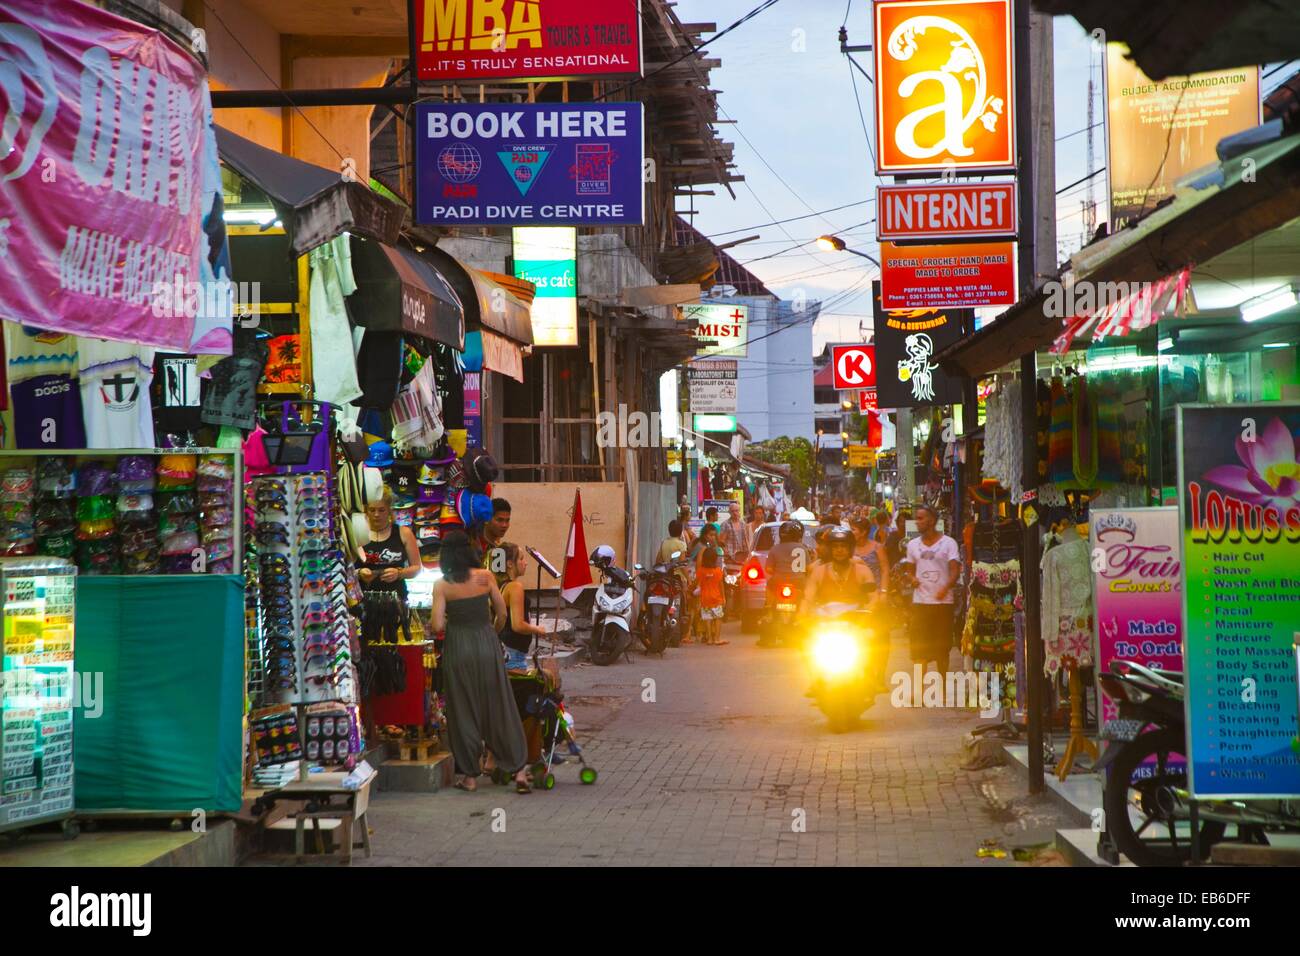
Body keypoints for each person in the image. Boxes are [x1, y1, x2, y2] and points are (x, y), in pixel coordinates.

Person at [431, 531, 531, 794]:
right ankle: (519, 771)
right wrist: (491, 632)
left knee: (463, 709)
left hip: (458, 648)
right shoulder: (486, 577)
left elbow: (437, 624)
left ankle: (470, 777)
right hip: (487, 644)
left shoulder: (442, 585)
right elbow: (502, 614)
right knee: (500, 705)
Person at [898, 504, 961, 676]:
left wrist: (945, 587)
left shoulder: (949, 543)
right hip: (921, 602)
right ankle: (919, 686)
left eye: (920, 518)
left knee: (942, 647)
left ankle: (941, 683)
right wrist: (912, 580)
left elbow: (955, 570)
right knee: (919, 646)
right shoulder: (912, 545)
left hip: (943, 603)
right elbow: (909, 571)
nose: (917, 522)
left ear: (931, 521)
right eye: (916, 518)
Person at [357, 486, 423, 639]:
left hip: (396, 602)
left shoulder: (403, 533)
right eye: (372, 510)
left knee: (393, 643)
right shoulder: (358, 534)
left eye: (381, 510)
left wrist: (399, 573)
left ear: (389, 511)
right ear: (366, 511)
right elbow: (346, 569)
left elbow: (417, 568)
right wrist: (359, 573)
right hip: (364, 602)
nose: (376, 515)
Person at [497, 542, 548, 671]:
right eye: (521, 559)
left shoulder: (503, 585)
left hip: (508, 650)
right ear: (509, 564)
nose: (525, 563)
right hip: (513, 653)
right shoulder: (515, 587)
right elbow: (518, 625)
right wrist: (537, 629)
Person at [694, 548, 729, 646]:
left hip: (705, 599)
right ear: (715, 559)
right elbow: (721, 585)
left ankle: (709, 638)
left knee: (707, 618)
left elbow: (696, 582)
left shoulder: (701, 571)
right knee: (718, 618)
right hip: (716, 598)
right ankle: (717, 639)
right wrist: (724, 597)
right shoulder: (718, 571)